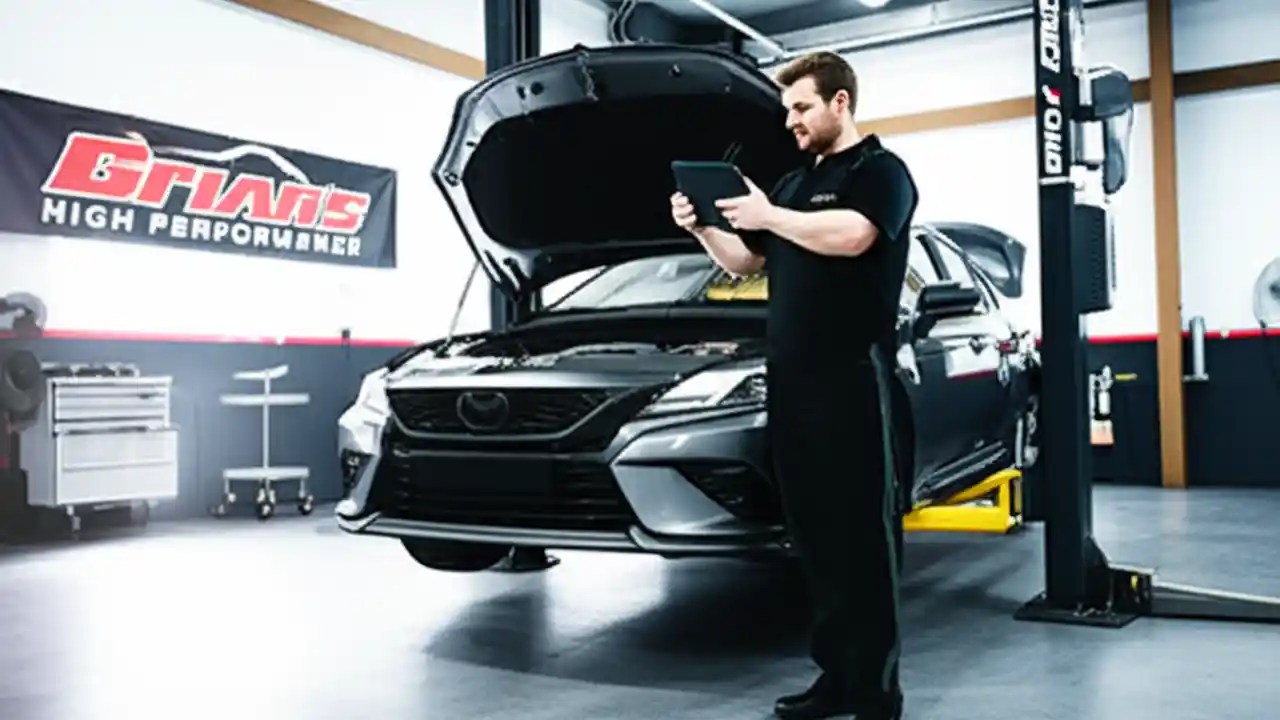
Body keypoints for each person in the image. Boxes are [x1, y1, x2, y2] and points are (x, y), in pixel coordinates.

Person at [670, 51, 918, 720]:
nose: (792, 122)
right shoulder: (790, 182)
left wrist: (768, 214)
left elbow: (856, 237)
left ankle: (876, 694)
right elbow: (747, 261)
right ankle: (835, 679)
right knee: (817, 541)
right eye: (787, 111)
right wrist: (704, 228)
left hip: (853, 380)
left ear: (841, 103)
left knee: (864, 541)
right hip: (793, 382)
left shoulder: (881, 173)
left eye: (802, 108)